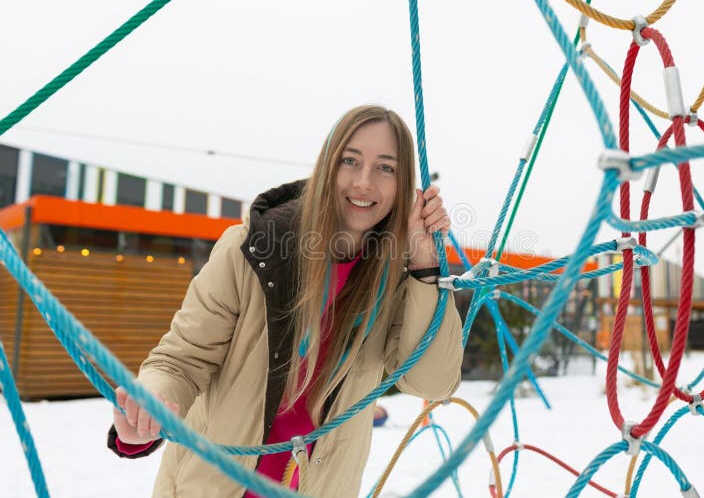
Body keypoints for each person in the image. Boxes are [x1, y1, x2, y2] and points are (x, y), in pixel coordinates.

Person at [107, 105, 464, 497]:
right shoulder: (252, 250)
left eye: (386, 168)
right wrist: (149, 409)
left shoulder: (397, 280)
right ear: (328, 166)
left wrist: (425, 264)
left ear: (404, 187)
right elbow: (181, 360)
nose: (365, 181)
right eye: (351, 160)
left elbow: (432, 381)